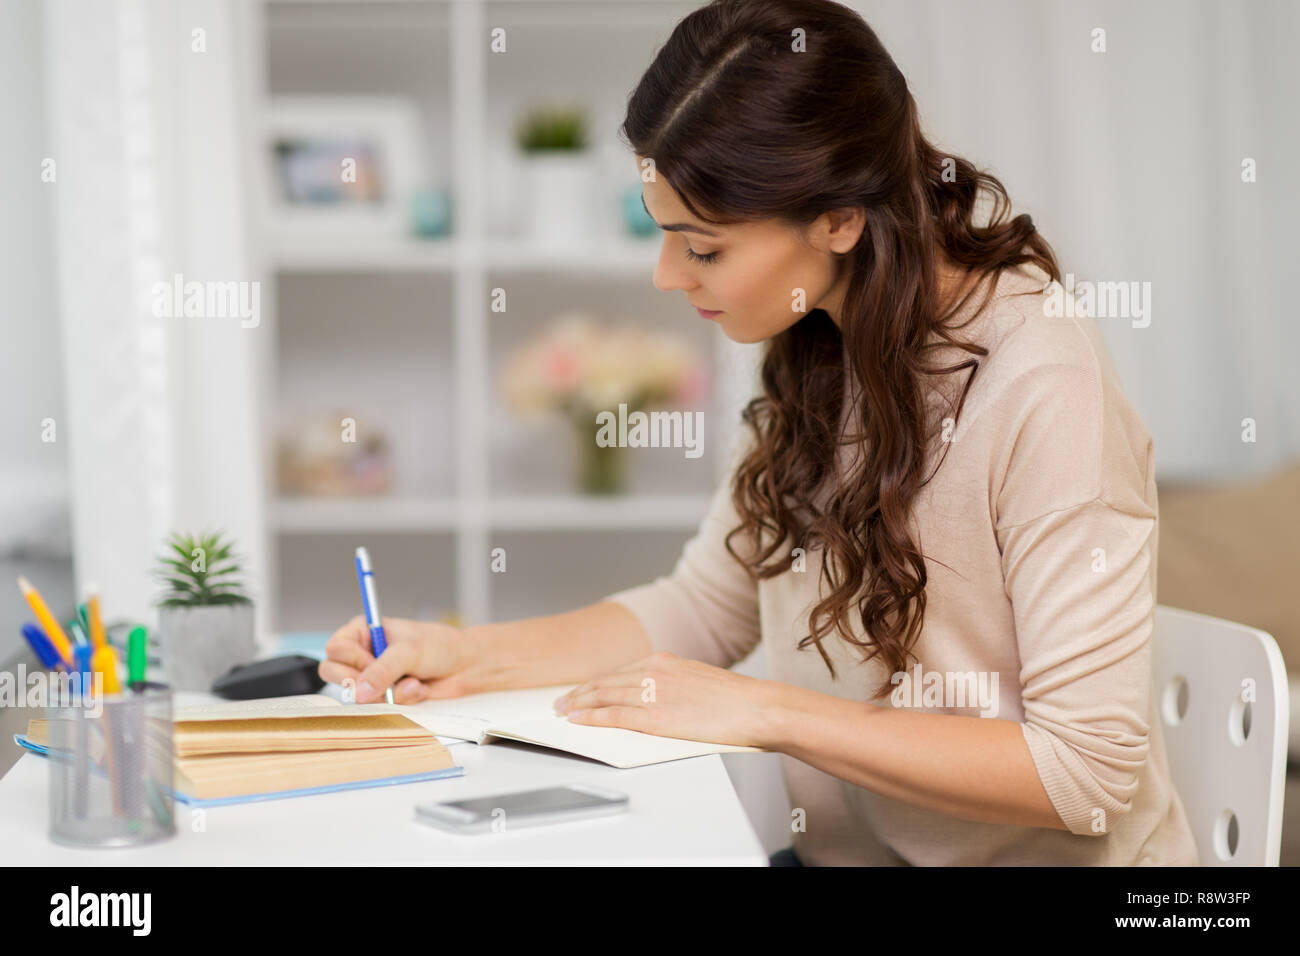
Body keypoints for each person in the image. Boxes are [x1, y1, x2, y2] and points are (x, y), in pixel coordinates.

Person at [320, 0, 1199, 866]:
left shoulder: (1046, 383)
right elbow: (701, 608)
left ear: (840, 221)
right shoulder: (821, 338)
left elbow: (1084, 772)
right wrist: (470, 653)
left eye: (701, 249)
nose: (667, 277)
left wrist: (768, 710)